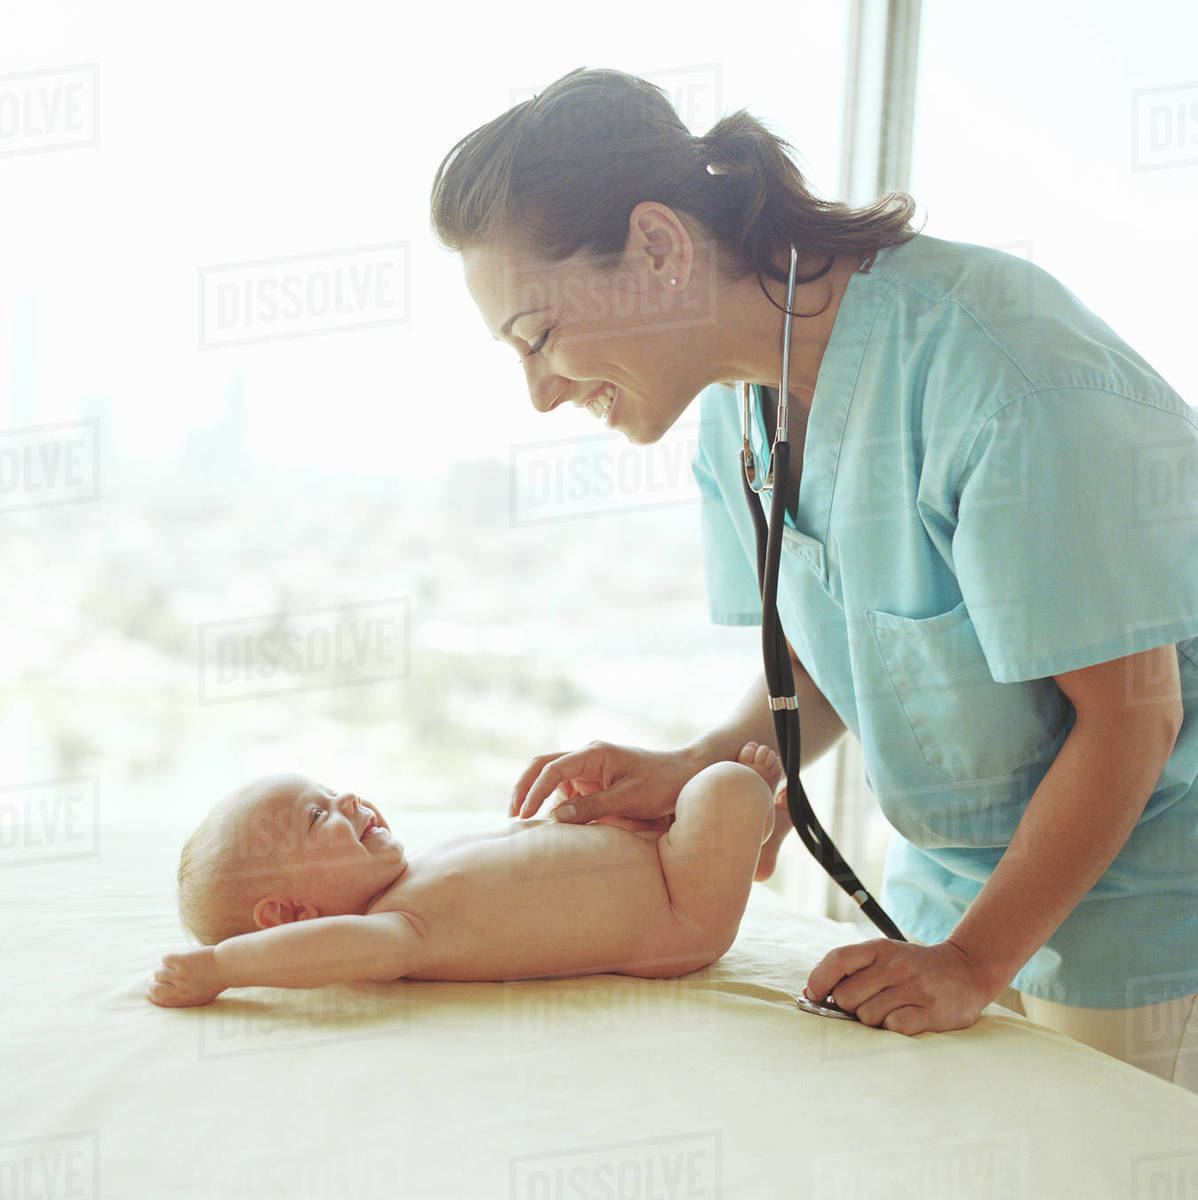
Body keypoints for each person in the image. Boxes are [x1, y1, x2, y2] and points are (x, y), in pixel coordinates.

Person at [429, 67, 1198, 1090]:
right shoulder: (733, 398)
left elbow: (1133, 716)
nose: (536, 392)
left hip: (1146, 902)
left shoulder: (994, 371)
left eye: (539, 335)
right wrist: (705, 760)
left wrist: (971, 964)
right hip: (946, 889)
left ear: (656, 246)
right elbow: (853, 633)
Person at [145, 743, 787, 1006]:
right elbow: (326, 955)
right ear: (289, 916)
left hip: (658, 863)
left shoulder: (414, 879)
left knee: (696, 793)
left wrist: (600, 829)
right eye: (318, 818)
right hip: (680, 915)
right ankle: (749, 827)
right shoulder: (398, 932)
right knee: (726, 784)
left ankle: (749, 840)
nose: (349, 801)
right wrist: (225, 969)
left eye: (333, 791)